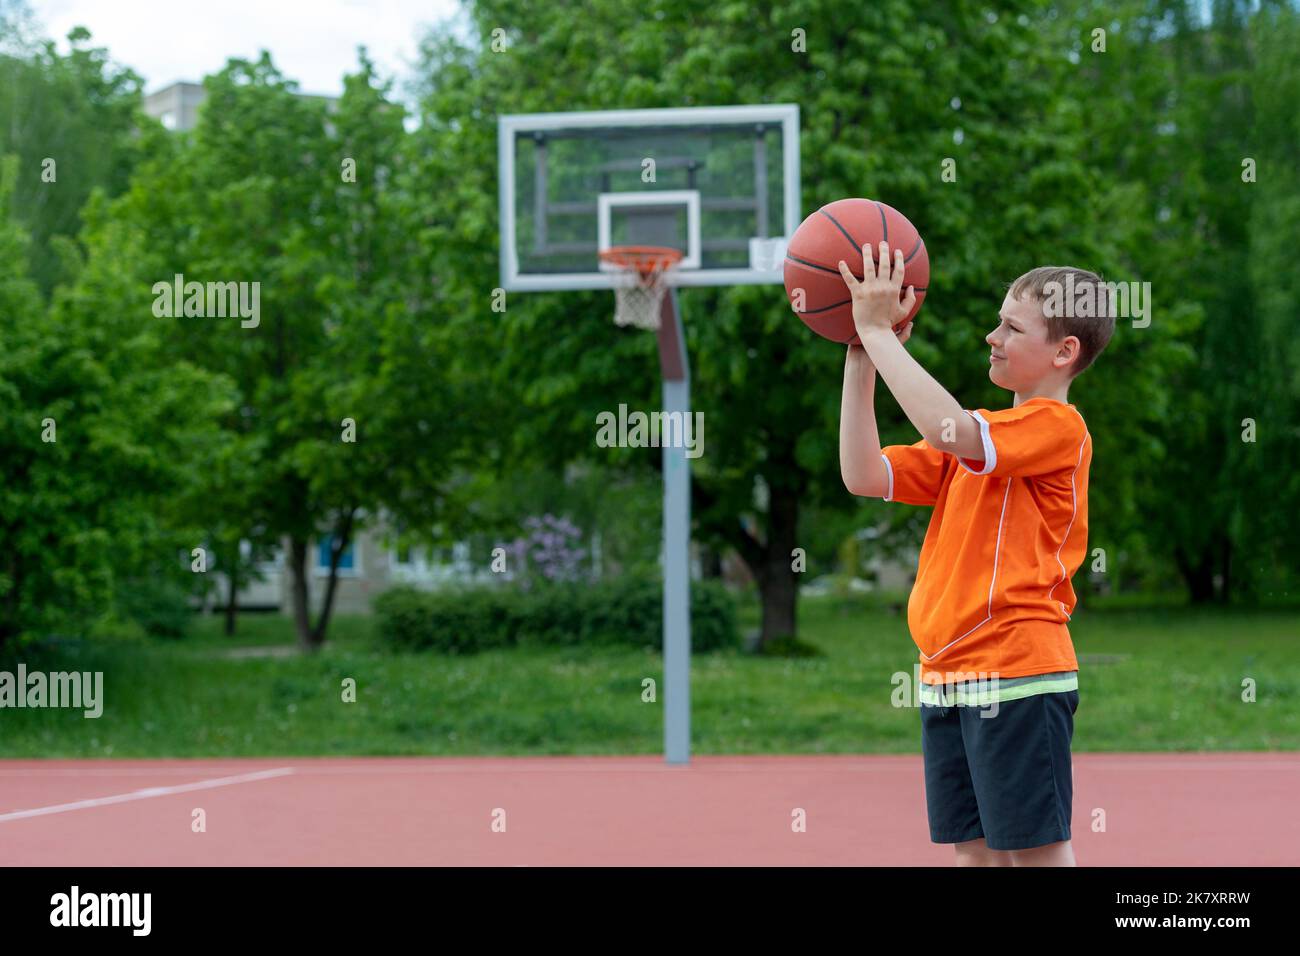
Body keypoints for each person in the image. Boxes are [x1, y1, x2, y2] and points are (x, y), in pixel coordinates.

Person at [838, 243, 1116, 866]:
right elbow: (862, 473)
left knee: (1035, 856)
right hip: (947, 674)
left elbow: (952, 431)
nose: (992, 337)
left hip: (1018, 670)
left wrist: (882, 334)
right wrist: (860, 354)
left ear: (1064, 352)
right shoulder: (977, 439)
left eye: (1012, 328)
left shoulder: (1056, 428)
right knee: (976, 856)